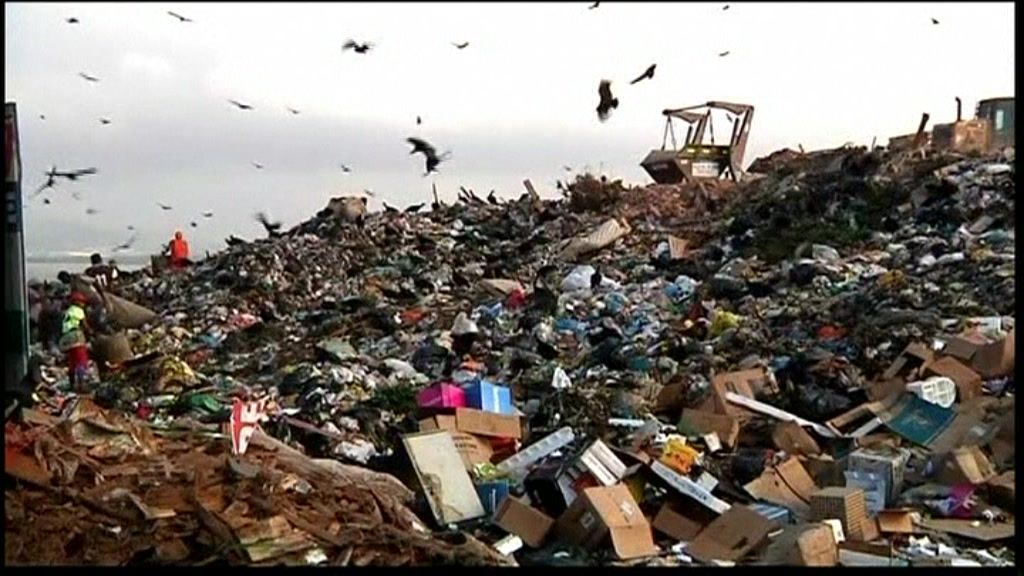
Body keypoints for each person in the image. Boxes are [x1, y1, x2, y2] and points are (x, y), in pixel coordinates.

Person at [59, 291, 93, 391]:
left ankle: (72, 384)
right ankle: (81, 385)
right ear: (77, 302)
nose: (83, 304)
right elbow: (85, 325)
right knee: (81, 360)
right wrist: (91, 333)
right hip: (76, 335)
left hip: (66, 337)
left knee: (72, 361)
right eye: (82, 302)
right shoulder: (78, 310)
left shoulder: (68, 311)